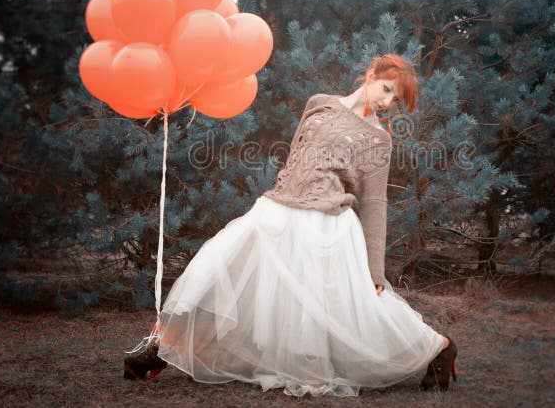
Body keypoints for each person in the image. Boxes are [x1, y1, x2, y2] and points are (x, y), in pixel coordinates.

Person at [123, 54, 459, 396]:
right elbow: (296, 157)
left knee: (360, 311)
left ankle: (439, 348)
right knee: (216, 272)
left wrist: (375, 272)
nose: (387, 101)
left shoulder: (378, 138)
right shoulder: (319, 104)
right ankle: (160, 350)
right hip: (275, 209)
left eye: (395, 99)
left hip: (324, 225)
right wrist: (277, 201)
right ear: (371, 74)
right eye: (386, 89)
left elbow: (374, 204)